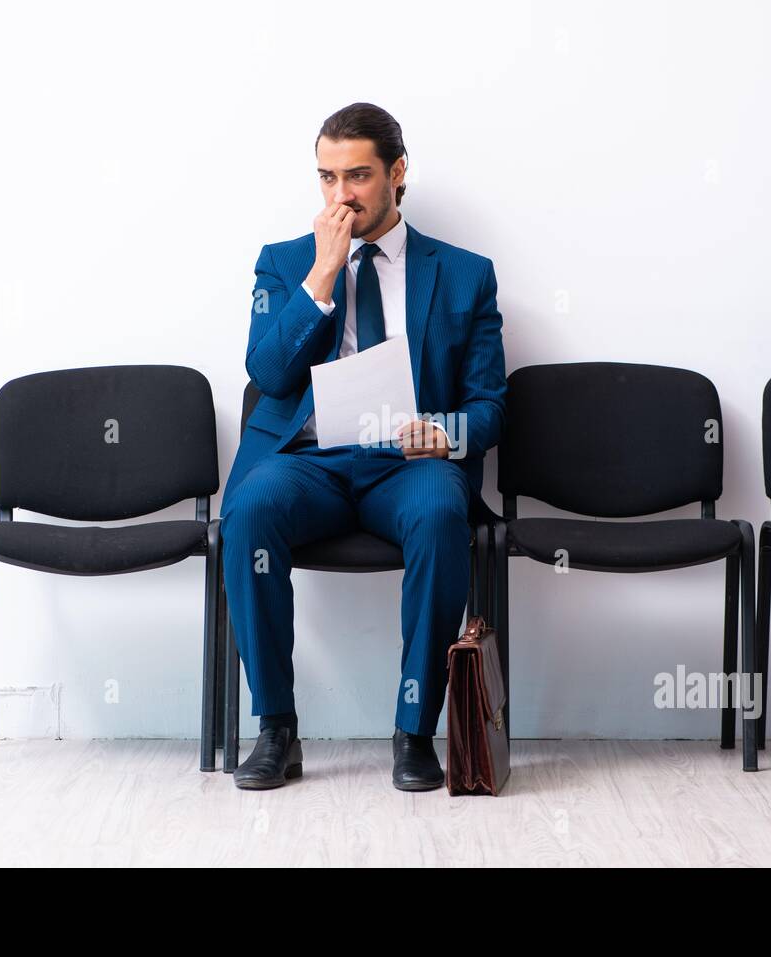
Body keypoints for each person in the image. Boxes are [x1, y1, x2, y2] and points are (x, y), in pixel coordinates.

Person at [220, 102, 507, 791]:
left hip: (407, 464)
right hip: (308, 462)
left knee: (442, 515)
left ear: (397, 172)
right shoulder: (286, 262)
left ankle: (414, 731)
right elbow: (268, 373)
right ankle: (276, 729)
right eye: (326, 178)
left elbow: (491, 403)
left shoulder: (464, 274)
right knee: (251, 511)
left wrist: (449, 434)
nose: (339, 195)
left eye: (357, 176)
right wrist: (322, 277)